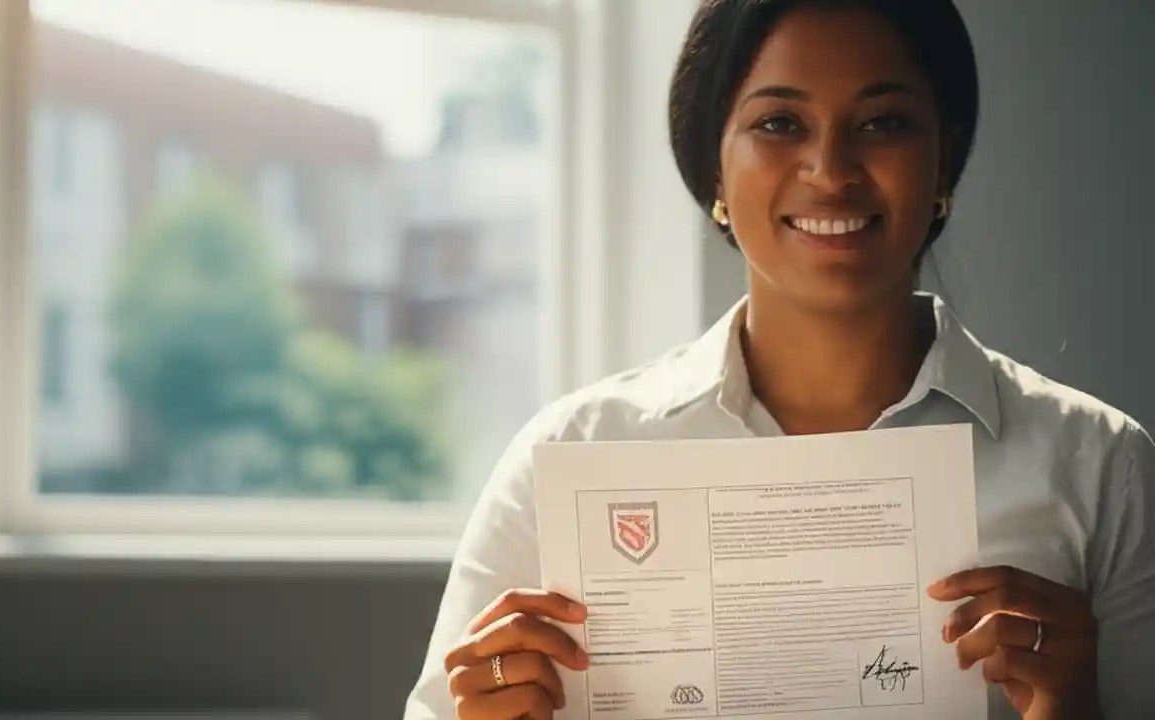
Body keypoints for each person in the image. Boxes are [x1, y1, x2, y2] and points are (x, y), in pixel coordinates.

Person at [404, 0, 1155, 718]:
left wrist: (1071, 708)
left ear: (944, 163)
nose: (831, 168)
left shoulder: (1097, 464)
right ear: (714, 174)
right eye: (779, 123)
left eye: (883, 122)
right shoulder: (566, 458)